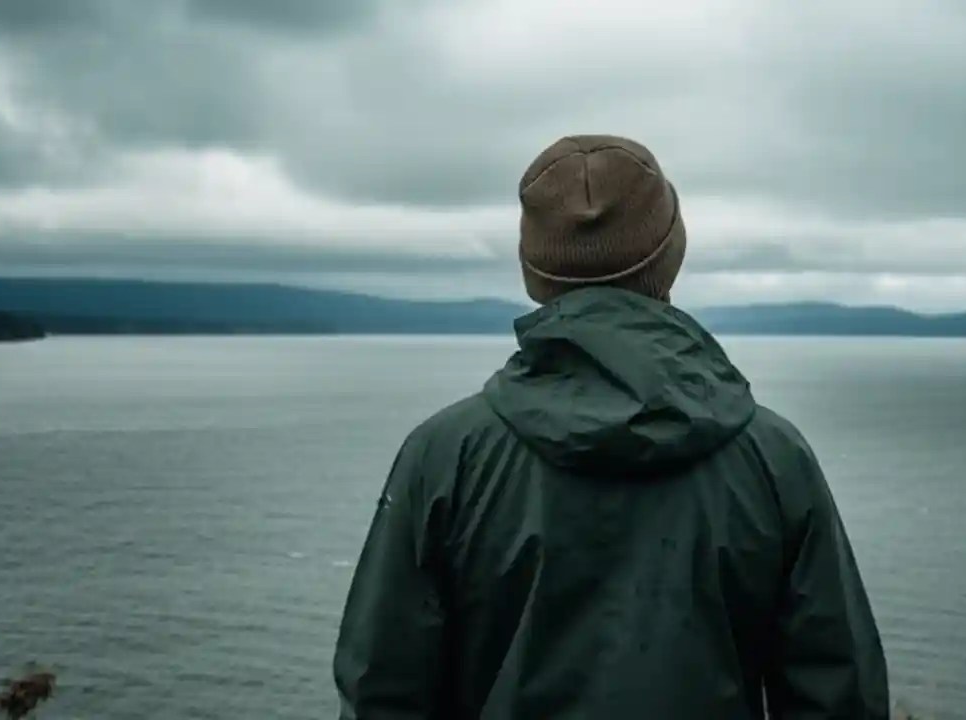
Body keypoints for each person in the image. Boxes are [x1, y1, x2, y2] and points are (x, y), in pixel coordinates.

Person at [333, 135, 889, 719]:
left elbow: (383, 695)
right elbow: (838, 698)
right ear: (671, 254)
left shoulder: (445, 457)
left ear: (533, 274)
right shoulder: (774, 459)